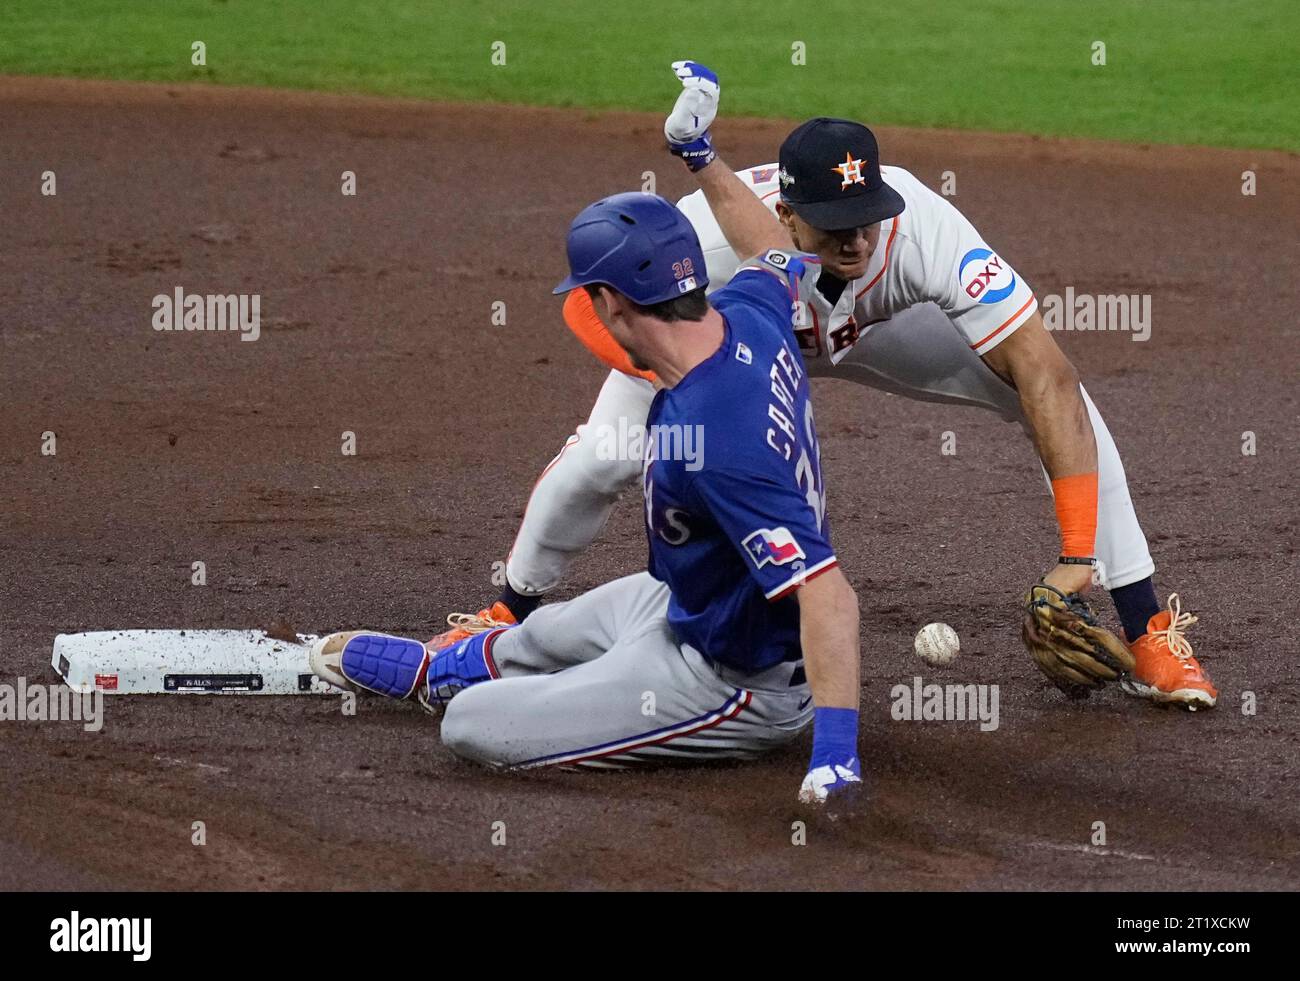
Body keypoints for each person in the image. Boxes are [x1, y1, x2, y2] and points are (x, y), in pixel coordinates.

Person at [441, 61, 1214, 709]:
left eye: (866, 215)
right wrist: (694, 393)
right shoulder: (701, 236)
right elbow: (592, 307)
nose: (855, 236)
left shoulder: (924, 231)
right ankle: (505, 609)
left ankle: (1147, 630)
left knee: (1055, 397)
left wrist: (1074, 552)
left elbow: (1045, 368)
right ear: (782, 211)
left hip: (877, 329)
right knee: (604, 455)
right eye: (832, 221)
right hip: (730, 338)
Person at [312, 191, 866, 804]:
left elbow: (828, 594)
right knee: (542, 634)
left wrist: (835, 759)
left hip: (736, 676)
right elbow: (775, 250)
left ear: (610, 302)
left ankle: (593, 692)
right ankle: (435, 672)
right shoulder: (749, 311)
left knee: (472, 724)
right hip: (693, 601)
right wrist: (700, 153)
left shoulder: (720, 444)